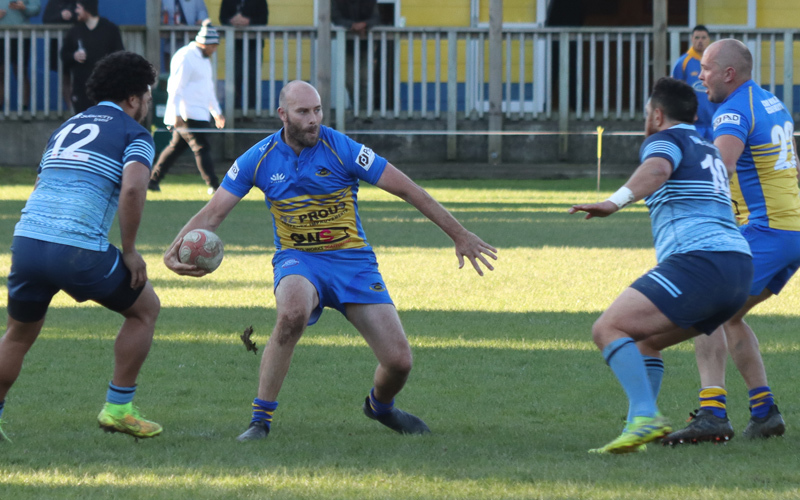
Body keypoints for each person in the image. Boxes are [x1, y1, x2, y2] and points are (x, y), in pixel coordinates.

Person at [163, 80, 498, 442]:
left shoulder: (343, 149)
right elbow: (212, 214)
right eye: (303, 112)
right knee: (291, 314)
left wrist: (459, 234)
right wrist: (174, 249)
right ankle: (260, 421)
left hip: (353, 263)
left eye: (318, 110)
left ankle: (380, 407)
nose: (314, 119)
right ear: (283, 115)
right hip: (298, 260)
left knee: (399, 362)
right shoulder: (257, 158)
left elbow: (408, 189)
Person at [569, 76, 754, 454]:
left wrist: (613, 202)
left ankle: (645, 418)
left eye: (646, 113)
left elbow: (656, 171)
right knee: (645, 341)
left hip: (701, 262)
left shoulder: (664, 139)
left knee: (608, 328)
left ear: (656, 115)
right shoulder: (708, 148)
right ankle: (637, 427)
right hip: (738, 267)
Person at [0, 51, 162, 442]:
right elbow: (134, 189)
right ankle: (118, 408)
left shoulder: (67, 126)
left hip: (27, 241)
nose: (148, 103)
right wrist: (129, 250)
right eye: (147, 96)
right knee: (145, 309)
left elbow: (40, 184)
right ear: (133, 98)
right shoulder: (135, 134)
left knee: (17, 335)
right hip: (76, 249)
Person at [663, 39, 797, 445]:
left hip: (766, 230)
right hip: (788, 230)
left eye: (706, 69)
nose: (699, 77)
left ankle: (713, 415)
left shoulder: (733, 111)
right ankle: (765, 413)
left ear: (729, 74)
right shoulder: (771, 102)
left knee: (706, 309)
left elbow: (720, 167)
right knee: (729, 317)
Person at [148, 20, 225, 194]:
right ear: (204, 43)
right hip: (187, 113)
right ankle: (214, 185)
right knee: (202, 148)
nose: (214, 50)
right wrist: (175, 114)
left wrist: (216, 112)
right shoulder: (186, 56)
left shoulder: (204, 60)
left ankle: (153, 180)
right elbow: (175, 87)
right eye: (213, 46)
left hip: (200, 113)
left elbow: (208, 89)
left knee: (175, 148)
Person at [60, 0, 124, 114]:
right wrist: (74, 56)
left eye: (78, 8)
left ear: (87, 8)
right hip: (81, 89)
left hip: (105, 89)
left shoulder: (110, 29)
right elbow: (64, 54)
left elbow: (120, 55)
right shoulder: (75, 31)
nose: (76, 11)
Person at [331, 0, 381, 114]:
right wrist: (352, 26)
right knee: (350, 82)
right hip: (347, 46)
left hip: (367, 46)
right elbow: (335, 18)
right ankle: (357, 109)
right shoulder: (338, 2)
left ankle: (365, 113)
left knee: (365, 80)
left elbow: (376, 18)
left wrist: (364, 24)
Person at [672, 25, 718, 142]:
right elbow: (675, 93)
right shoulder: (682, 63)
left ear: (709, 40)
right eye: (697, 38)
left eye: (703, 38)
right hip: (693, 124)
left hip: (714, 123)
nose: (700, 41)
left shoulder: (717, 62)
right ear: (692, 39)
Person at [219, 0, 267, 110]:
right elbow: (223, 18)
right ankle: (235, 109)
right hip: (235, 46)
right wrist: (231, 21)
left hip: (254, 46)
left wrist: (248, 21)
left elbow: (263, 19)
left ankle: (251, 110)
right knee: (235, 78)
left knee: (252, 78)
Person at [0, 0, 41, 111]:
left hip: (21, 35)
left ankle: (24, 108)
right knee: (0, 72)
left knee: (20, 71)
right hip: (0, 36)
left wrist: (24, 8)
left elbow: (36, 9)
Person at [42, 0, 77, 107]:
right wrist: (61, 15)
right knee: (65, 77)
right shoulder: (54, 2)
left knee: (81, 77)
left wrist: (72, 15)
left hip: (78, 44)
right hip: (59, 46)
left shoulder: (80, 2)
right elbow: (46, 19)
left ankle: (82, 108)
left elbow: (88, 17)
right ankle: (71, 108)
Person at [160, 0, 210, 72]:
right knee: (171, 73)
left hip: (192, 45)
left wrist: (201, 20)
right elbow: (159, 16)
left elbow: (202, 12)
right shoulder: (164, 1)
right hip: (171, 46)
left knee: (193, 73)